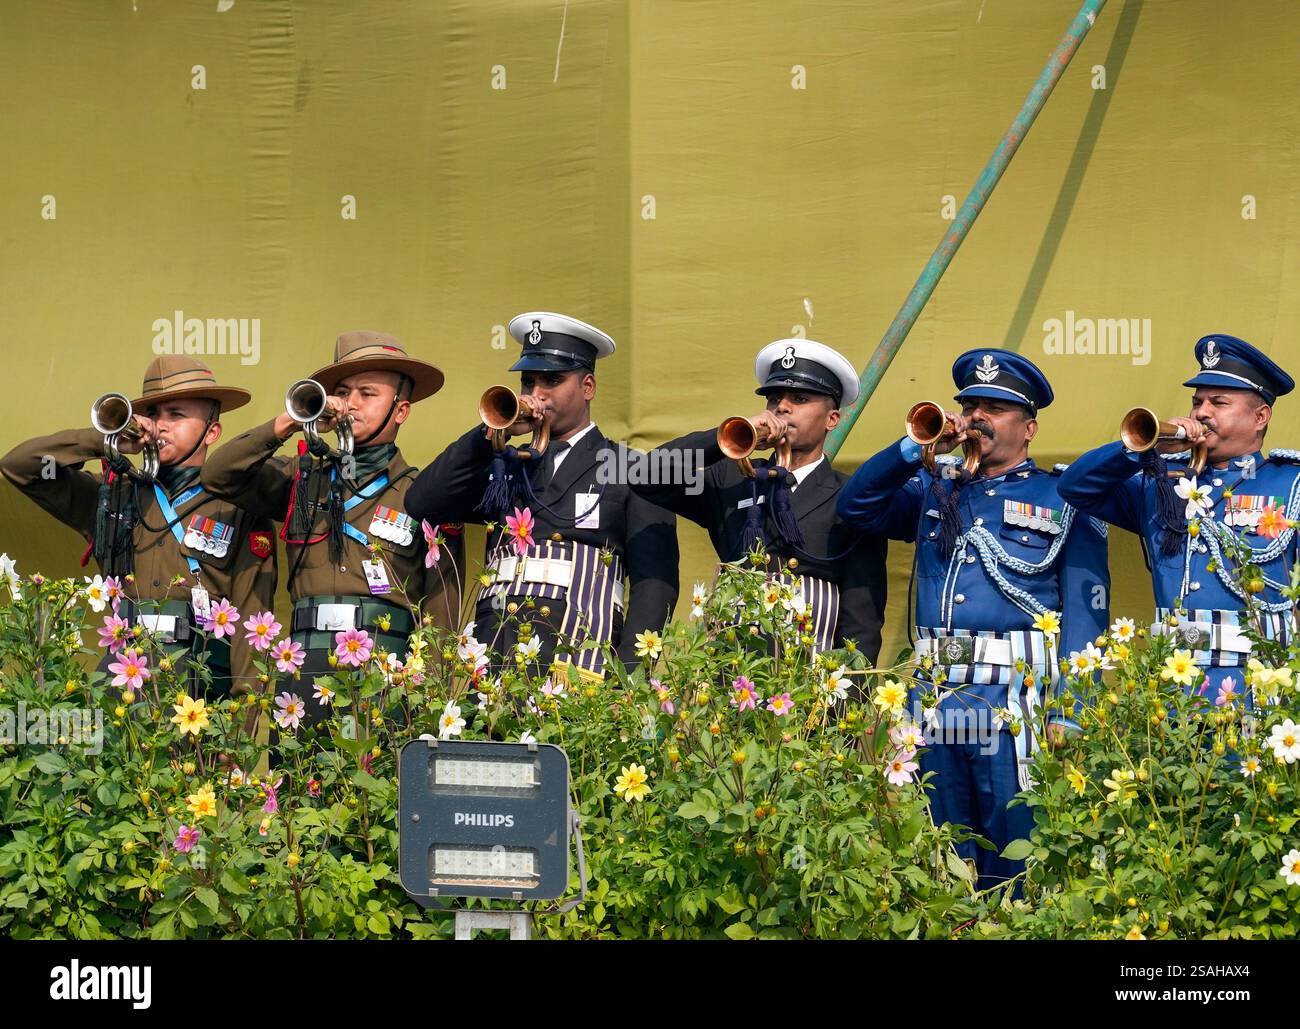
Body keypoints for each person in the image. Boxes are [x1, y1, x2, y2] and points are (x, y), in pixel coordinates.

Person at [837, 348, 1109, 889]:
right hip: (935, 692)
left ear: (1028, 427)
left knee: (1017, 852)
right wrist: (913, 448)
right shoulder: (933, 486)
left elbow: (1087, 613)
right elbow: (856, 506)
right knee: (938, 849)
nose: (978, 416)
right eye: (972, 404)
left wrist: (1073, 709)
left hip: (1013, 696)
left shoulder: (1063, 495)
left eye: (995, 408)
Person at [200, 331, 463, 730]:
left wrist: (428, 701)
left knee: (378, 789)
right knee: (297, 787)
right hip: (304, 664)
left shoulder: (421, 493)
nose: (351, 404)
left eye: (367, 393)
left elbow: (443, 612)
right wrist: (290, 422)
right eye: (343, 391)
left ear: (401, 410)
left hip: (385, 669)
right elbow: (218, 474)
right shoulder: (300, 478)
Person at [405, 311, 678, 682]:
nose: (536, 394)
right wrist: (488, 433)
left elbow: (654, 585)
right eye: (529, 381)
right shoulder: (506, 465)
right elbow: (423, 502)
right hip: (494, 671)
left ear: (588, 387)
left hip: (578, 672)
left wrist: (627, 683)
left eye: (552, 380)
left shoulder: (630, 468)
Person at [0, 355, 276, 699]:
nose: (161, 425)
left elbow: (254, 625)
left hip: (201, 687)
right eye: (154, 414)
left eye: (176, 414)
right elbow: (20, 466)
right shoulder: (111, 496)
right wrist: (106, 439)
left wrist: (239, 733)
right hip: (123, 680)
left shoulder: (241, 507)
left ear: (212, 431)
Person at [1059, 334, 1298, 701]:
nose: (1201, 413)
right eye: (1197, 402)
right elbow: (1076, 486)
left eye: (1219, 402)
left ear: (1260, 416)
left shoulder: (1290, 483)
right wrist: (1140, 450)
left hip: (1257, 688)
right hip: (1172, 689)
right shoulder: (1160, 484)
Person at [629, 338, 887, 665]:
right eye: (774, 398)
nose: (782, 407)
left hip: (807, 685)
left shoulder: (850, 497)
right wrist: (726, 438)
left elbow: (862, 621)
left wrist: (843, 703)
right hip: (729, 681)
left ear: (832, 419)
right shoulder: (731, 478)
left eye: (800, 398)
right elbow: (642, 474)